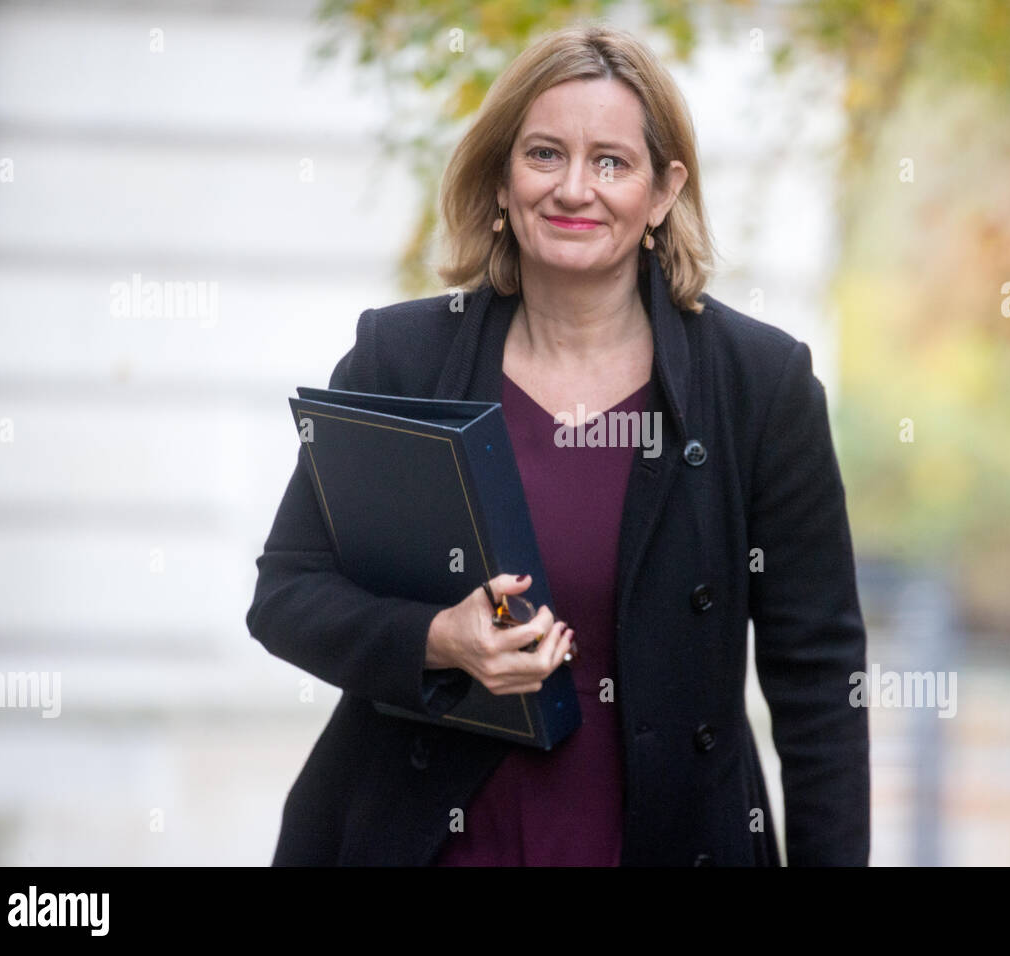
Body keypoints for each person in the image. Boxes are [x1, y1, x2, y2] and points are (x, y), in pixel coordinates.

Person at [246, 22, 870, 866]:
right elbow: (287, 594)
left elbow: (820, 677)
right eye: (545, 155)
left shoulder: (759, 384)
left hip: (669, 841)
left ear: (661, 192)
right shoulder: (401, 358)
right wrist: (438, 639)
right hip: (432, 838)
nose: (575, 189)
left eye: (611, 162)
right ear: (502, 177)